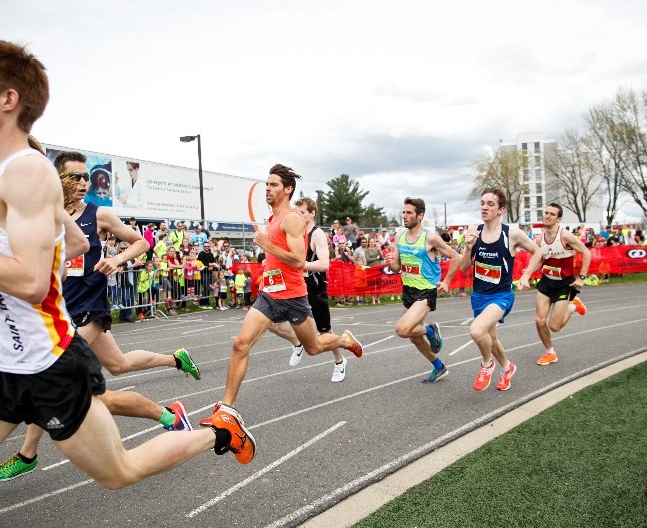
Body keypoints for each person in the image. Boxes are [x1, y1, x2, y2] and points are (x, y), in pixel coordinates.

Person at [0, 36, 251, 528]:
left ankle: (219, 430)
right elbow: (71, 240)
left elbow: (27, 281)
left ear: (8, 99)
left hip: (48, 365)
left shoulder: (26, 170)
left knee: (119, 471)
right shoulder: (5, 174)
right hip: (1, 366)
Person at [0, 151, 204, 482]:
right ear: (57, 180)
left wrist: (117, 259)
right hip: (61, 308)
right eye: (75, 177)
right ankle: (175, 367)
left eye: (86, 177)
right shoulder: (50, 216)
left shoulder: (100, 214)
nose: (83, 183)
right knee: (119, 365)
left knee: (48, 371)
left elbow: (141, 242)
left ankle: (27, 454)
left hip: (91, 308)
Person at [198, 165, 363, 437]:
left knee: (313, 347)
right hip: (269, 296)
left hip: (294, 297)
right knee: (240, 344)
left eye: (273, 185)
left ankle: (344, 340)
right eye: (266, 184)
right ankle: (227, 410)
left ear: (287, 190)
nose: (268, 189)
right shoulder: (272, 219)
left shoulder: (292, 219)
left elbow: (299, 261)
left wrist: (267, 246)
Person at [460, 187, 538, 392]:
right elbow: (464, 267)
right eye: (482, 203)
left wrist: (526, 275)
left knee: (477, 331)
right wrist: (468, 248)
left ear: (501, 209)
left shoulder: (511, 233)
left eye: (490, 204)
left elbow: (538, 252)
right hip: (478, 295)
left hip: (501, 295)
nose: (484, 207)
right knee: (491, 339)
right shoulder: (474, 232)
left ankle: (487, 365)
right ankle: (507, 367)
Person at [267, 197, 350, 382]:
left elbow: (324, 264)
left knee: (324, 331)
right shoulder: (293, 231)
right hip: (293, 287)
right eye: (296, 211)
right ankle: (297, 343)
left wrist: (299, 265)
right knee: (272, 323)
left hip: (314, 288)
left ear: (312, 213)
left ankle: (339, 361)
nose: (298, 215)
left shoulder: (317, 234)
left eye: (302, 212)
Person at [384, 197, 462, 383]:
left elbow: (456, 256)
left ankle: (430, 329)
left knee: (403, 330)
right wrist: (391, 263)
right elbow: (397, 268)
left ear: (420, 215)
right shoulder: (400, 236)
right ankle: (439, 366)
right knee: (413, 337)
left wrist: (447, 281)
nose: (405, 216)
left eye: (409, 213)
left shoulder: (430, 237)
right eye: (404, 212)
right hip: (408, 290)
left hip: (425, 292)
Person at [517, 203, 590, 366]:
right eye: (546, 213)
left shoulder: (565, 236)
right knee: (539, 320)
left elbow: (587, 252)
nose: (547, 216)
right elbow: (540, 262)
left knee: (555, 326)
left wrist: (581, 278)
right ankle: (550, 352)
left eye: (552, 214)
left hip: (564, 285)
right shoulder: (539, 239)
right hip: (546, 283)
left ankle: (572, 306)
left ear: (559, 218)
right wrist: (527, 274)